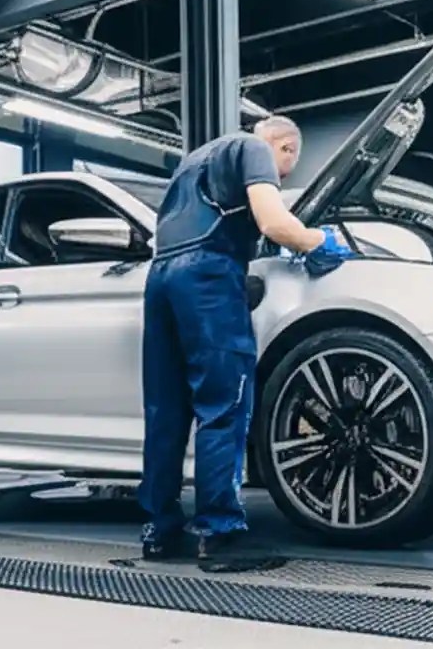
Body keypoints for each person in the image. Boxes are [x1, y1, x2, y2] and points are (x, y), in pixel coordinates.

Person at [137, 115, 353, 568]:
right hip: (208, 278)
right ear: (286, 147)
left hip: (161, 280)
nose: (280, 176)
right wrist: (318, 241)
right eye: (285, 171)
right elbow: (274, 222)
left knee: (166, 413)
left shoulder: (193, 163)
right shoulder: (253, 149)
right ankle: (221, 536)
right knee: (224, 404)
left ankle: (160, 532)